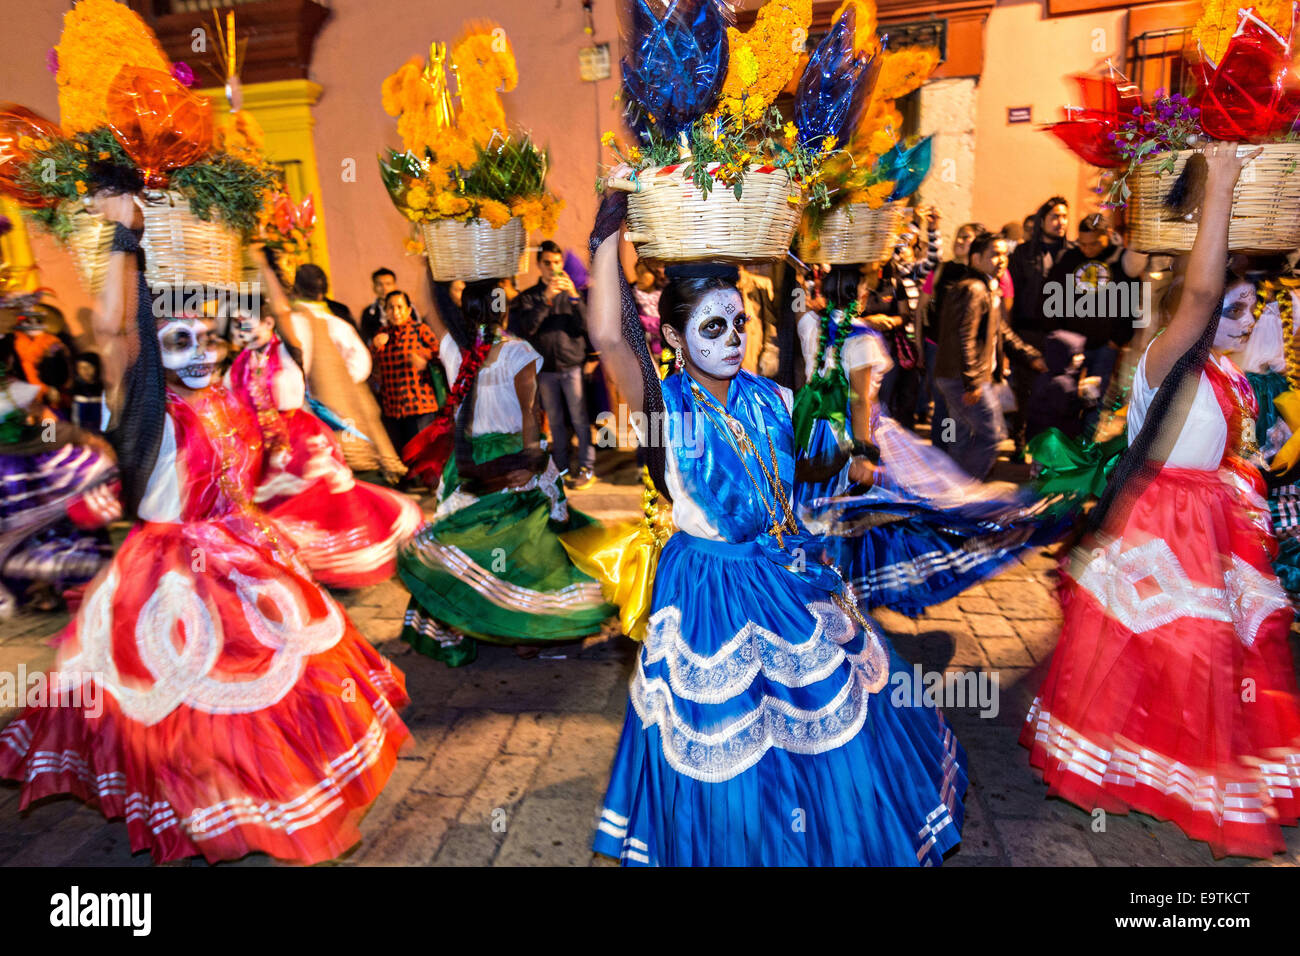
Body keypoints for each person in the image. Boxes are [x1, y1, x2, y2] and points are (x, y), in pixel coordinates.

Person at [0, 188, 411, 864]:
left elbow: (263, 334)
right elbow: (110, 328)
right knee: (183, 716)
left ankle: (251, 801)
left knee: (269, 695)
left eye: (206, 338)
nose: (196, 350)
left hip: (245, 554)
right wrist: (127, 241)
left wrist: (251, 250)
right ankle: (205, 805)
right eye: (177, 340)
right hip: (166, 578)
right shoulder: (152, 405)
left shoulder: (230, 394)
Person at [583, 186, 966, 866]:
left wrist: (849, 468)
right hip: (709, 589)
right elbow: (610, 335)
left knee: (825, 702)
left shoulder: (774, 396)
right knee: (725, 729)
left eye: (738, 325)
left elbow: (803, 467)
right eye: (711, 328)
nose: (732, 341)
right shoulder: (662, 408)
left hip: (786, 572)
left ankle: (830, 838)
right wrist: (606, 236)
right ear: (672, 338)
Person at [1022, 143, 1300, 859]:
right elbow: (1202, 294)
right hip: (1166, 521)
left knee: (1216, 659)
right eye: (1232, 310)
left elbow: (1225, 437)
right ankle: (1143, 774)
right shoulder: (1166, 350)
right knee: (1180, 652)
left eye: (1248, 311)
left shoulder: (1223, 371)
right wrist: (1224, 182)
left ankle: (1181, 776)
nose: (1241, 320)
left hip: (1212, 520)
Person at [794, 267, 1065, 616]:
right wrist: (862, 454)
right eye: (864, 290)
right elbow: (860, 401)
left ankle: (822, 591)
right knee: (913, 506)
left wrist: (806, 290)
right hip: (855, 438)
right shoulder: (861, 341)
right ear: (858, 295)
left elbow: (804, 312)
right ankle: (848, 595)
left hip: (815, 441)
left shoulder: (812, 326)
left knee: (825, 517)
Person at [397, 278, 616, 667]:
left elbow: (432, 308)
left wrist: (433, 269)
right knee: (524, 547)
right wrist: (530, 462)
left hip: (469, 461)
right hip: (511, 455)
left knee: (470, 541)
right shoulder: (517, 352)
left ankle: (471, 620)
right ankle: (525, 630)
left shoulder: (453, 348)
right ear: (504, 311)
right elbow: (531, 413)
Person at [225, 274, 424, 590]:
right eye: (236, 325)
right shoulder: (240, 365)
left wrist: (264, 265)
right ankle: (284, 565)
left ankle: (329, 559)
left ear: (269, 323)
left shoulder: (287, 352)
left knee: (315, 503)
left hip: (296, 439)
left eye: (248, 322)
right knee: (268, 507)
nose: (242, 331)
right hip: (260, 443)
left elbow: (287, 317)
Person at [934, 231, 1046, 479]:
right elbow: (965, 337)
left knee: (962, 435)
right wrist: (972, 381)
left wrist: (1029, 356)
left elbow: (1001, 332)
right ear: (975, 259)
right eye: (994, 254)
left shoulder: (987, 288)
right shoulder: (973, 289)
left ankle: (950, 492)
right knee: (992, 435)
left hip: (961, 376)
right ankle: (966, 490)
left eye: (1004, 254)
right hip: (963, 378)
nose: (1002, 259)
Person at [287, 263, 406, 482]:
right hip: (347, 404)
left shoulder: (292, 323)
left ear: (295, 290)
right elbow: (362, 362)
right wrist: (341, 381)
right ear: (323, 292)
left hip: (308, 405)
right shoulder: (338, 323)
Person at [513, 240, 596, 489]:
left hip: (572, 367)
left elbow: (588, 327)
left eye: (557, 262)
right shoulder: (528, 297)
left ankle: (586, 467)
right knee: (556, 421)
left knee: (580, 419)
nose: (553, 268)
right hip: (546, 369)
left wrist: (573, 298)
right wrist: (546, 300)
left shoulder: (574, 294)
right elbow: (526, 328)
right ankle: (561, 467)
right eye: (547, 263)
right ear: (539, 265)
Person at [1044, 212, 1148, 402]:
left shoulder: (1121, 261)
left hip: (1104, 347)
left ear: (1107, 234)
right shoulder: (1069, 258)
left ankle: (1087, 433)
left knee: (1094, 400)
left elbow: (1135, 300)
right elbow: (1052, 295)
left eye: (1093, 244)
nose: (1087, 249)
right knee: (1065, 396)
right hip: (1070, 344)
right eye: (1082, 244)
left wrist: (1118, 339)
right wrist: (1058, 334)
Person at [1007, 197, 1073, 455]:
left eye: (1064, 216)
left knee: (1057, 394)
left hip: (1061, 335)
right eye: (1055, 216)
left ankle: (1050, 448)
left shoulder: (1072, 253)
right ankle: (1022, 443)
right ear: (1042, 220)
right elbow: (1011, 296)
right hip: (1027, 331)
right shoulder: (1023, 253)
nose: (1061, 222)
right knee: (1026, 392)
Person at [370, 290, 443, 453]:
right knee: (404, 461)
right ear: (385, 311)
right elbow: (370, 369)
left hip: (421, 408)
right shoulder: (381, 336)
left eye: (400, 307)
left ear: (409, 310)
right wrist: (374, 347)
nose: (395, 312)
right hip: (393, 411)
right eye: (390, 308)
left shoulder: (420, 330)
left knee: (426, 458)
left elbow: (442, 356)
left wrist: (426, 360)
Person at [359, 267, 398, 346]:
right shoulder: (368, 313)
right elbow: (366, 340)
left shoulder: (407, 308)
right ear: (374, 287)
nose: (384, 288)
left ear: (395, 286)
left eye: (388, 284)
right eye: (379, 284)